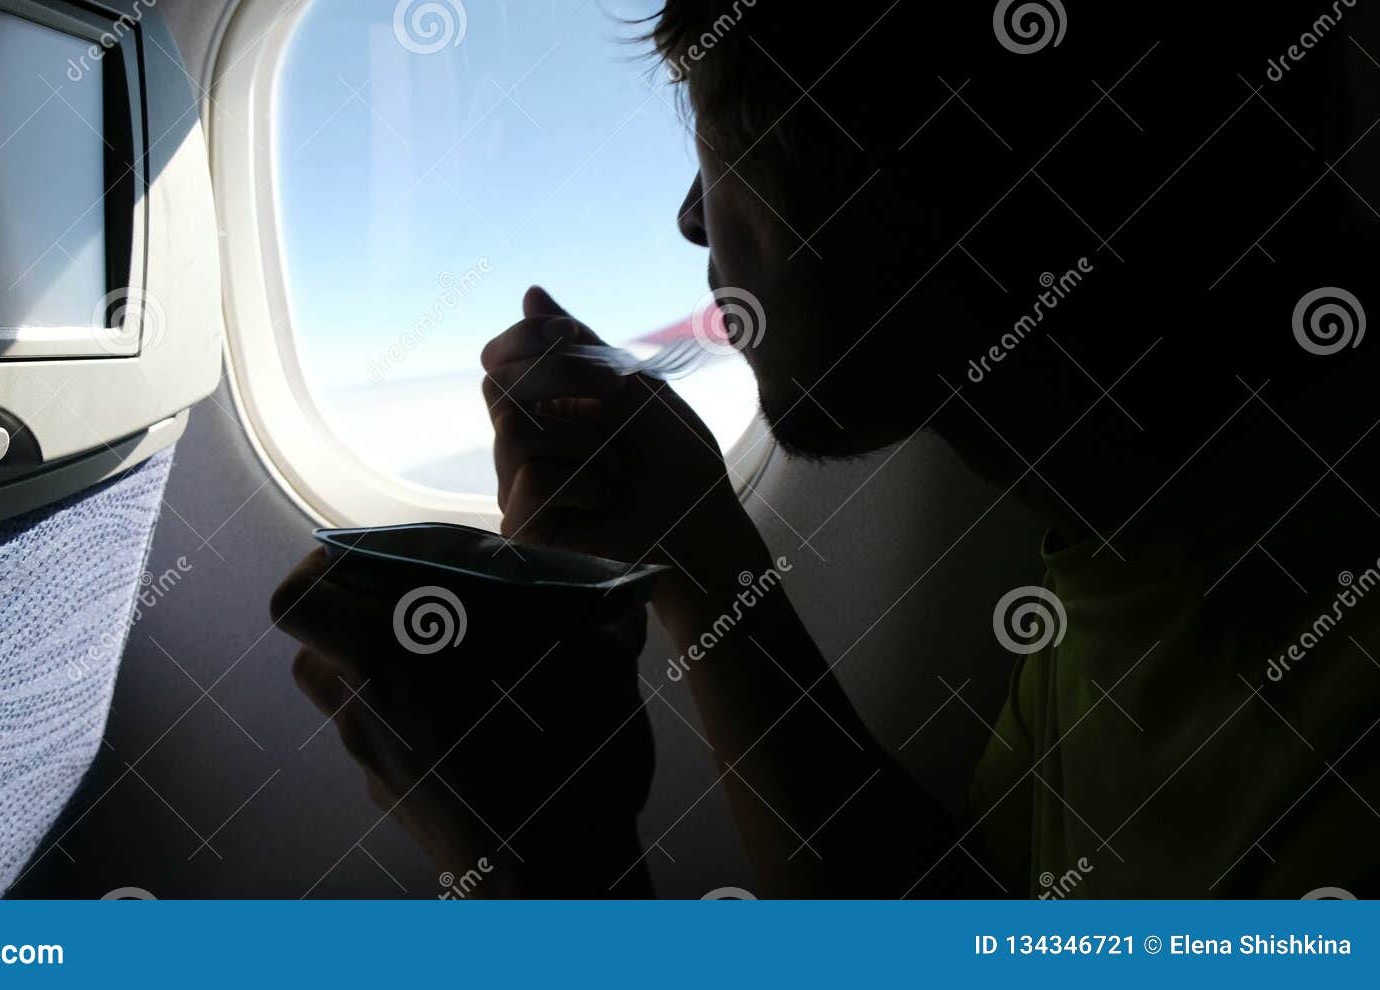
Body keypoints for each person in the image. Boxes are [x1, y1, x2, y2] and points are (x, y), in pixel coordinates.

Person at [272, 3, 1380, 897]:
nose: (693, 220)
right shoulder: (1153, 530)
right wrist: (697, 549)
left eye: (720, 144)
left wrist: (548, 878)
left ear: (898, 168)